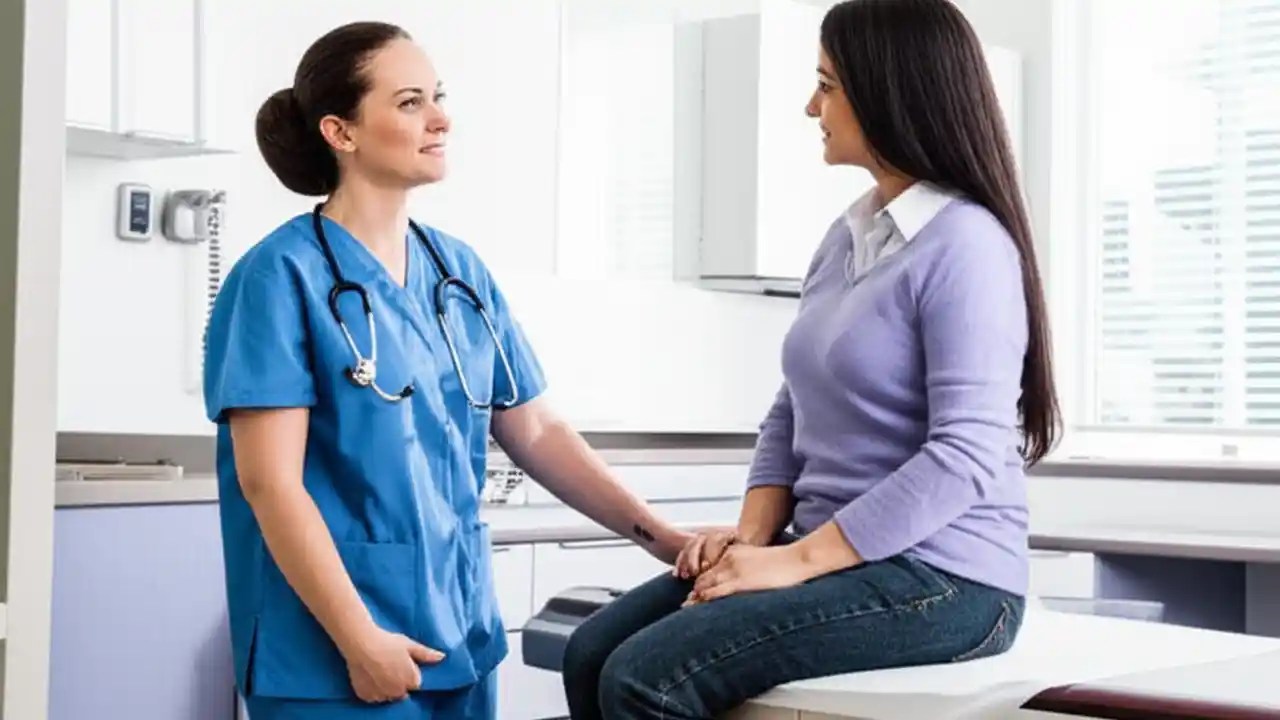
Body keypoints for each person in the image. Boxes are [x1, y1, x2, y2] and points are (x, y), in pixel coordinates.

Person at [560, 0, 1062, 717]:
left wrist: (792, 562)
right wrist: (753, 534)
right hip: (834, 554)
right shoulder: (851, 235)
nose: (809, 106)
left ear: (888, 93)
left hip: (948, 578)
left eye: (827, 84)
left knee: (644, 676)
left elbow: (967, 454)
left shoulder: (968, 246)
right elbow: (793, 401)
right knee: (590, 653)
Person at [202, 21, 693, 720]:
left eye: (436, 96)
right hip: (332, 648)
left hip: (457, 627)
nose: (440, 118)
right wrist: (357, 637)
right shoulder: (277, 277)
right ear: (341, 132)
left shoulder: (456, 272)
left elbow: (539, 431)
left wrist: (662, 537)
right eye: (409, 103)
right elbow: (270, 483)